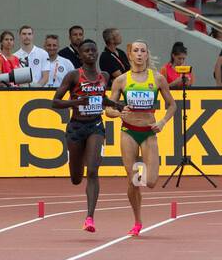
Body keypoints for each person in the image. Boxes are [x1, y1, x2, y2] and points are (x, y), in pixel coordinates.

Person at [107, 40, 177, 237]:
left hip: (148, 133)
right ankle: (137, 220)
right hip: (128, 131)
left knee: (151, 181)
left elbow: (172, 105)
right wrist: (118, 113)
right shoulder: (121, 80)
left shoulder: (157, 79)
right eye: (135, 51)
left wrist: (162, 122)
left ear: (147, 55)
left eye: (143, 51)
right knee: (133, 181)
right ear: (129, 55)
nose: (139, 54)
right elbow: (108, 109)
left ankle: (139, 171)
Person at [50, 40, 113, 233]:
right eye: (87, 51)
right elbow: (55, 102)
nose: (91, 54)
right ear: (80, 54)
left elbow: (102, 98)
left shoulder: (104, 76)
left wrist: (116, 105)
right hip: (76, 127)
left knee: (93, 171)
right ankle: (74, 159)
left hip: (95, 126)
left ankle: (89, 217)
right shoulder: (73, 76)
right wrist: (75, 102)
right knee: (76, 178)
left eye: (94, 50)